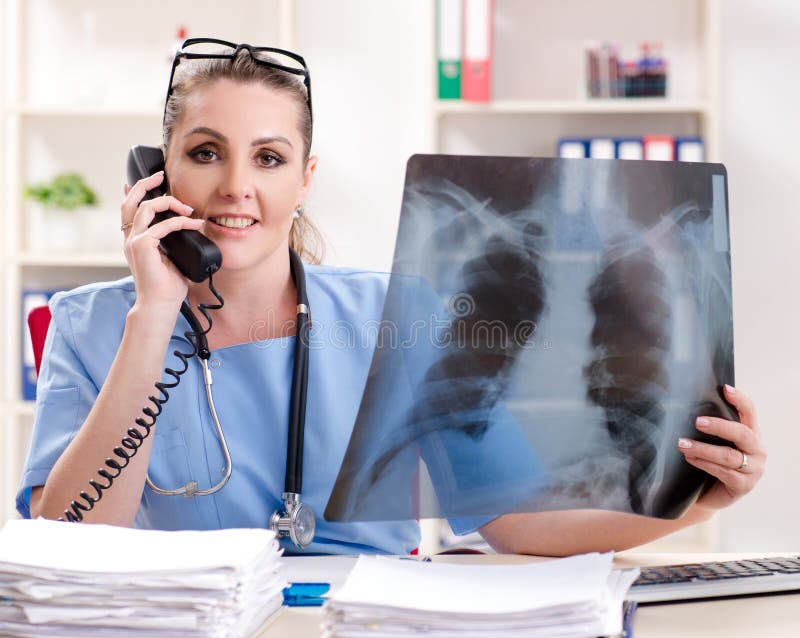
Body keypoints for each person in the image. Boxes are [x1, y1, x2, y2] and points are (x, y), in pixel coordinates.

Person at [17, 40, 766, 556]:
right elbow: (74, 538)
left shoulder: (396, 314)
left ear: (305, 178)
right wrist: (152, 317)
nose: (236, 186)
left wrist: (695, 504)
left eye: (269, 157)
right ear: (156, 173)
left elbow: (509, 519)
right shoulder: (91, 326)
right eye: (204, 152)